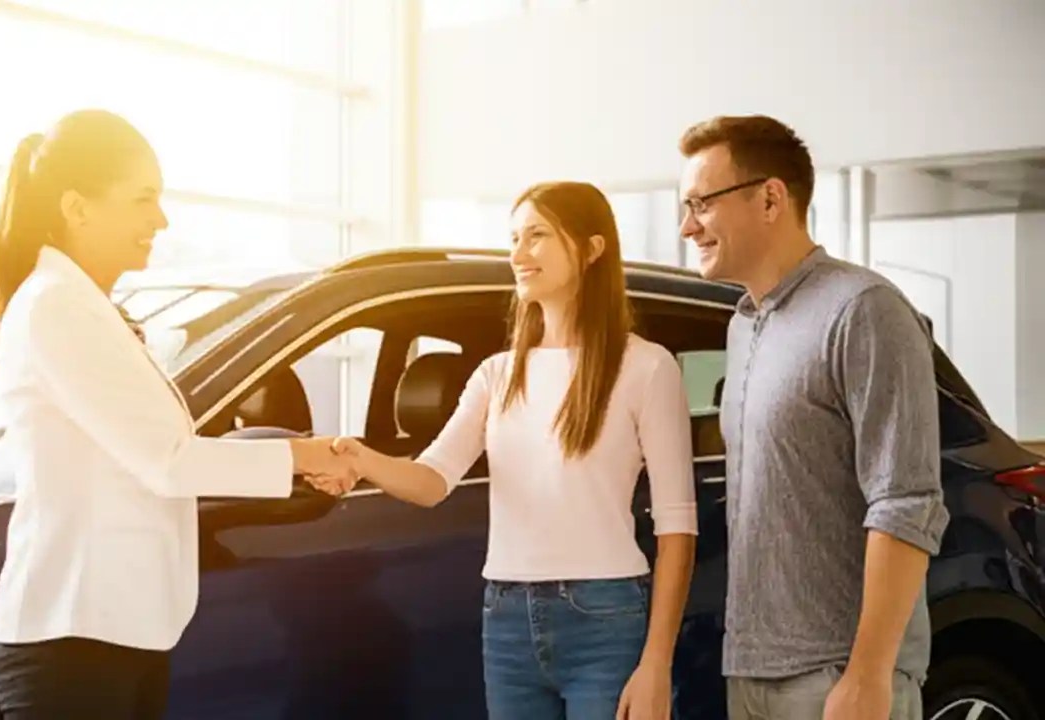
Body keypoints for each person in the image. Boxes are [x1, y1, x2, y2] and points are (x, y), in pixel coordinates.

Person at [0, 109, 352, 720]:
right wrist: (304, 455)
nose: (160, 218)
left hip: (108, 630)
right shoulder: (58, 308)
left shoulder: (83, 306)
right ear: (77, 207)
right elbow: (169, 461)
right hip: (74, 636)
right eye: (142, 199)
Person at [332, 181, 697, 720]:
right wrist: (358, 458)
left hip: (604, 617)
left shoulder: (647, 368)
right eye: (514, 238)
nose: (518, 254)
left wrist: (657, 662)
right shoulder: (497, 374)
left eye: (537, 236)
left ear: (592, 249)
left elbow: (677, 528)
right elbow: (433, 479)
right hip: (505, 618)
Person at [676, 114, 950, 720]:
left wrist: (868, 674)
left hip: (835, 674)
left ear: (771, 197)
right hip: (751, 669)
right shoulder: (744, 324)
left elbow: (906, 501)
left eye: (701, 203)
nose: (687, 225)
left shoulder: (863, 310)